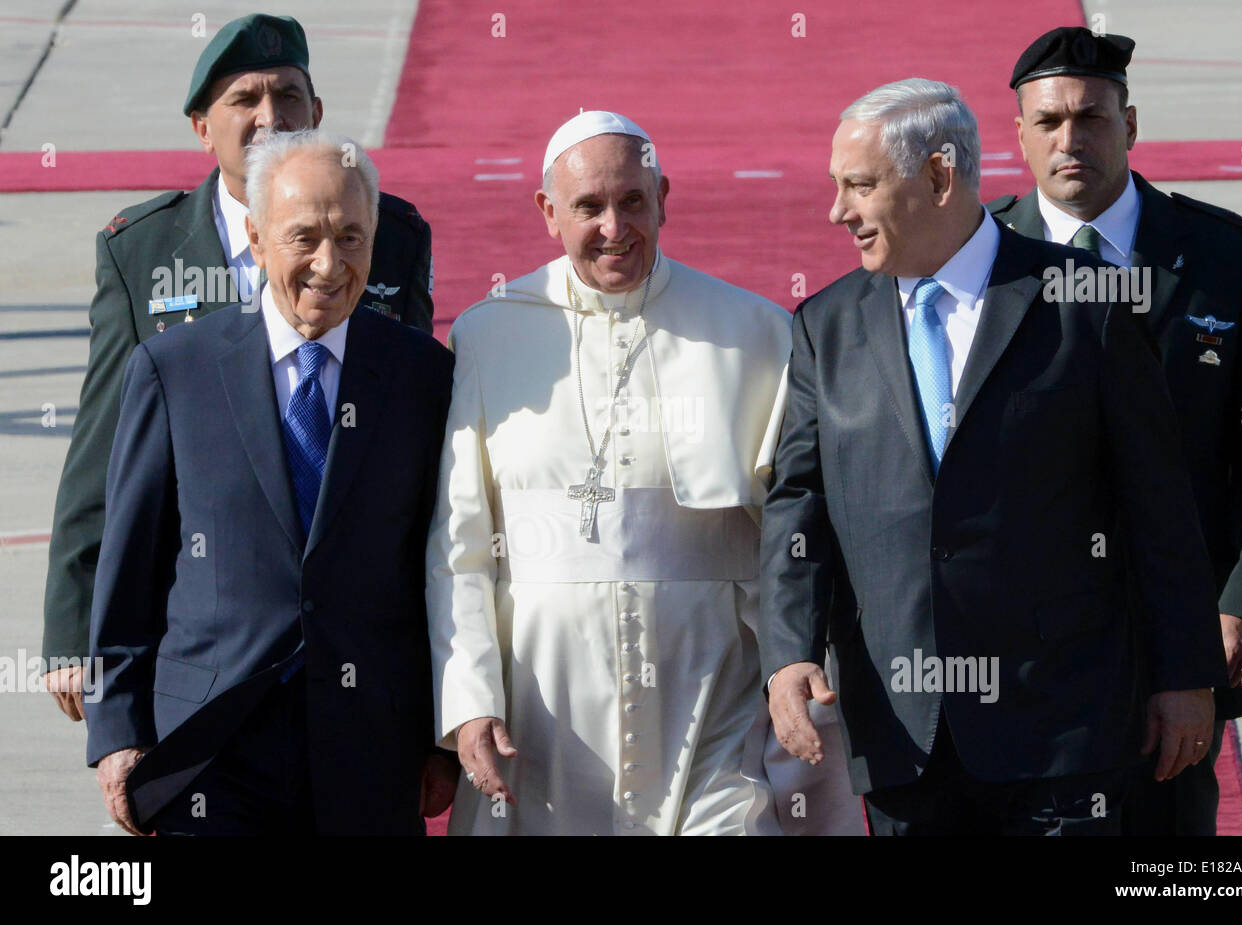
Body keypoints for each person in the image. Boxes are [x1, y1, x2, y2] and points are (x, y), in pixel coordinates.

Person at [760, 78, 1227, 835]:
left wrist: (1185, 675)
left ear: (939, 177)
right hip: (905, 735)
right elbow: (798, 503)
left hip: (1061, 727)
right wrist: (787, 653)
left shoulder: (1089, 301)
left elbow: (1159, 505)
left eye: (860, 186)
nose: (838, 211)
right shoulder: (826, 325)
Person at [43, 13, 435, 720]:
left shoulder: (392, 234)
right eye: (244, 100)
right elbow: (102, 445)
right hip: (205, 613)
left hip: (351, 617)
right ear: (202, 127)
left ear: (316, 113)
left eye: (288, 97)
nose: (271, 117)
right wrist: (76, 633)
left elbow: (415, 429)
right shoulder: (143, 249)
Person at [427, 110, 793, 835]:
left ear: (663, 197)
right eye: (588, 206)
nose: (613, 226)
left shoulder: (751, 331)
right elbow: (460, 545)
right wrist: (469, 699)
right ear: (548, 211)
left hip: (713, 703)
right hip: (544, 717)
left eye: (632, 201)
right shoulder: (488, 333)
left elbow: (791, 529)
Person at [84, 130, 456, 835]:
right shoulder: (175, 370)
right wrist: (116, 731)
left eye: (352, 236)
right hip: (210, 751)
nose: (329, 263)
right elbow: (128, 566)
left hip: (371, 751)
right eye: (304, 237)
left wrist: (444, 739)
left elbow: (440, 570)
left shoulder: (423, 377)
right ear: (255, 237)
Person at [988, 26, 1242, 835]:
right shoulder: (980, 262)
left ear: (1130, 125)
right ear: (1018, 135)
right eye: (1048, 122)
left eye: (1090, 118)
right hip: (1026, 643)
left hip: (1179, 636)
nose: (1070, 140)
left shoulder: (1220, 254)